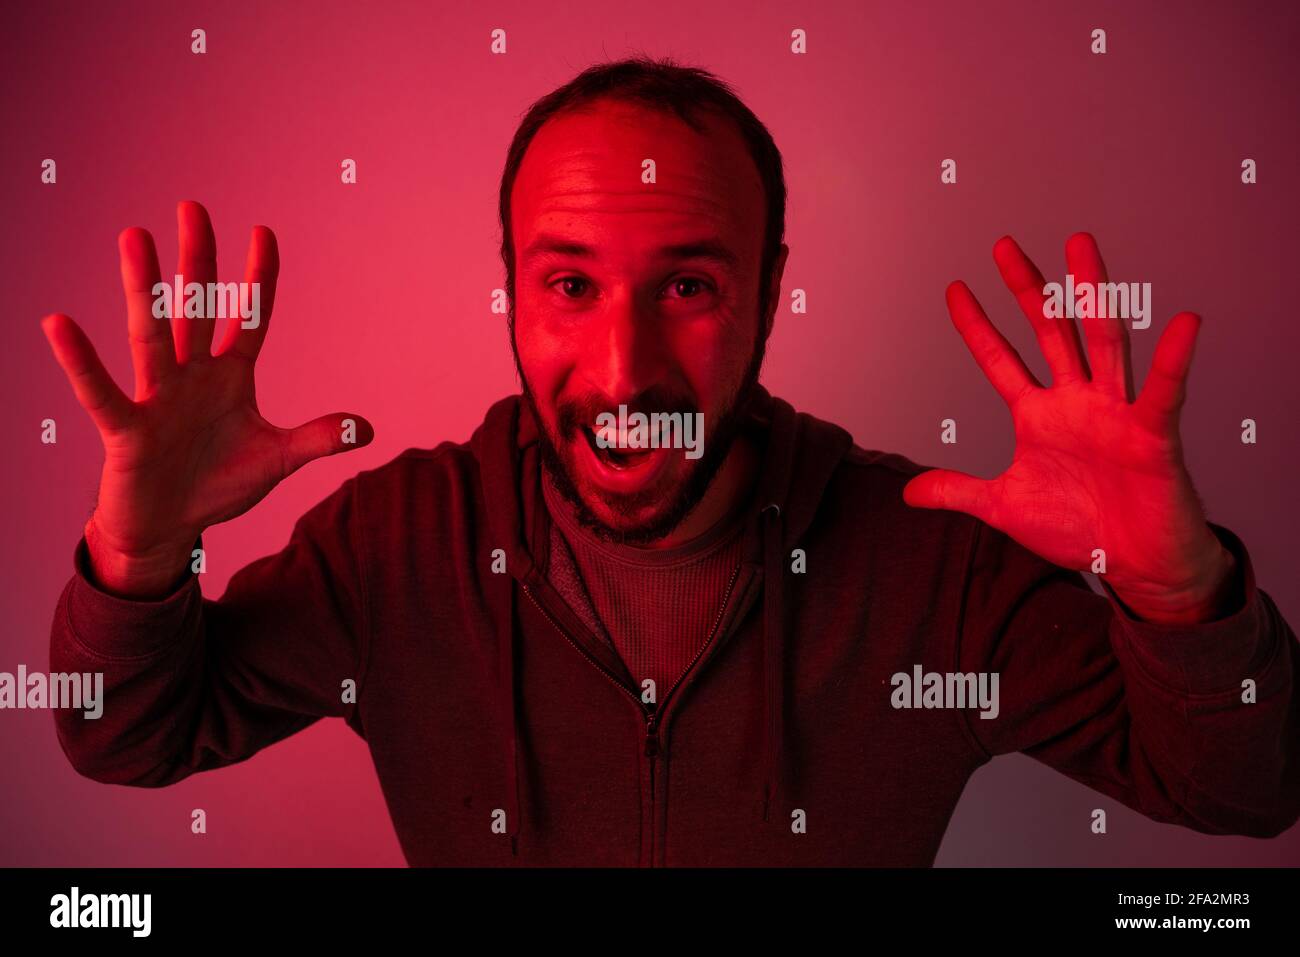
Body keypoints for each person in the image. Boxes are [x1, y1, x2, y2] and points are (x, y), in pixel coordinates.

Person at [42, 57, 1299, 866]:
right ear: (514, 301)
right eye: (570, 285)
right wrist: (139, 562)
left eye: (688, 286)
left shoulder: (935, 568)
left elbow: (1247, 792)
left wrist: (1181, 598)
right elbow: (127, 740)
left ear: (765, 298)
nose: (625, 365)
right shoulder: (400, 548)